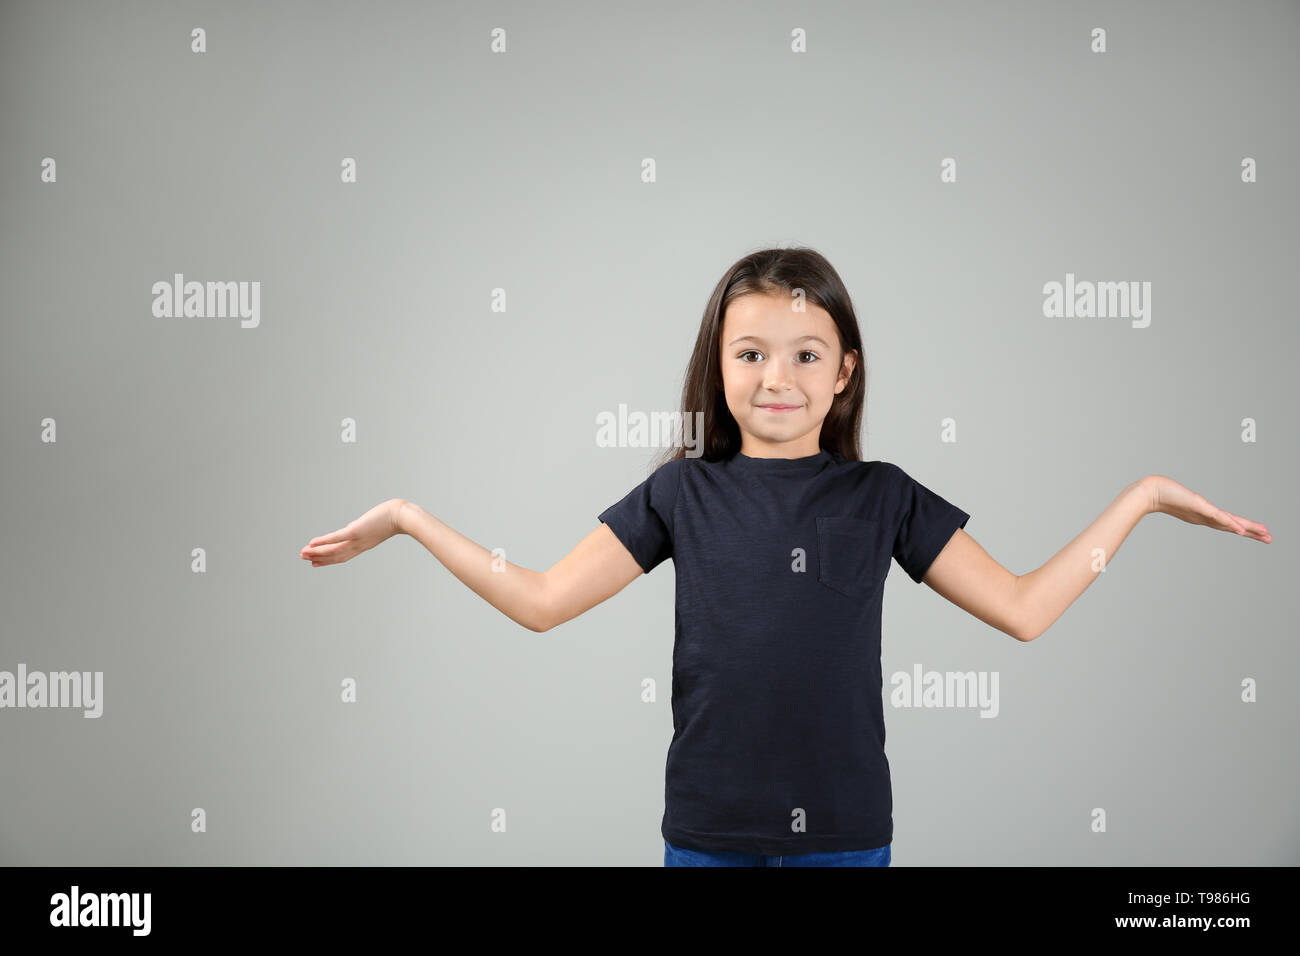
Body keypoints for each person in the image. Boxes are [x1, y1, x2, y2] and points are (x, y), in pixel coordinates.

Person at [299, 246, 1271, 867]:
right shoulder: (682, 491)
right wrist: (410, 519)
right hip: (708, 837)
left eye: (806, 353)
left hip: (844, 839)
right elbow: (545, 597)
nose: (777, 375)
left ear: (844, 370)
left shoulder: (881, 494)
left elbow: (1021, 607)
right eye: (750, 352)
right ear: (717, 368)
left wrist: (1139, 499)